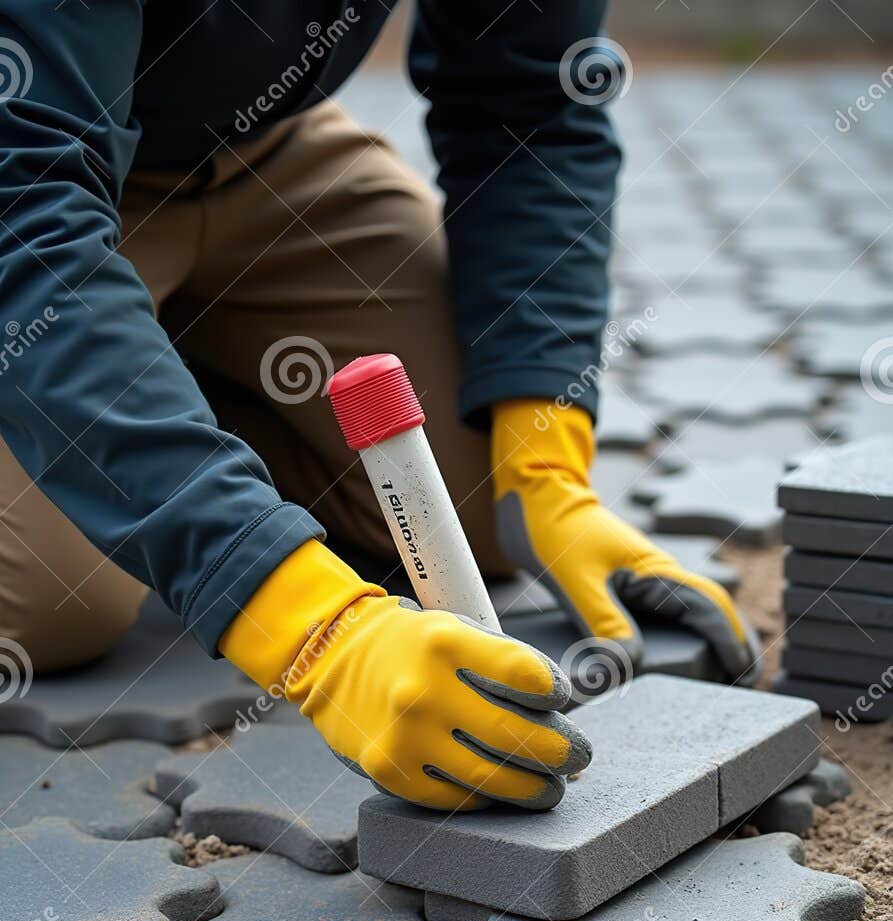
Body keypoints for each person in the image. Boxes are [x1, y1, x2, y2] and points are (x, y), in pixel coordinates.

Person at [0, 2, 754, 811]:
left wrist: (545, 469)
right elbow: (29, 216)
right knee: (49, 612)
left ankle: (150, 374)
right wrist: (312, 629)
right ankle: (111, 383)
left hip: (255, 146)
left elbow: (533, 103)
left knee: (459, 509)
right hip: (31, 174)